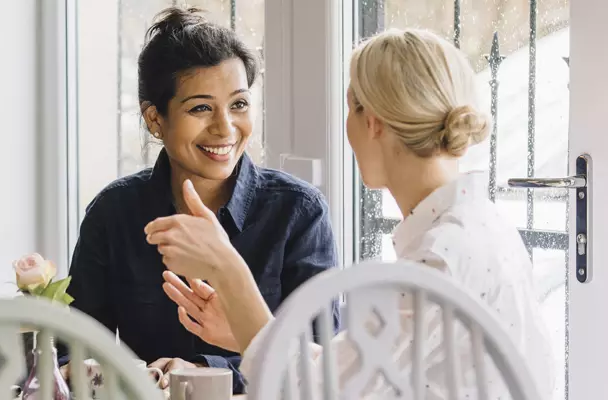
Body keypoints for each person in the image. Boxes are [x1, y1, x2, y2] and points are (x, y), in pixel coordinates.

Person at [147, 29, 555, 398]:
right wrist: (244, 329)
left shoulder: (442, 256)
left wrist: (227, 268)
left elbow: (319, 392)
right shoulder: (472, 229)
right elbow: (348, 374)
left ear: (372, 121)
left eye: (350, 108)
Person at [61, 7, 340, 394]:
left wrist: (199, 370)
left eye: (239, 104)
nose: (225, 127)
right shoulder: (114, 213)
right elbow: (72, 349)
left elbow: (322, 360)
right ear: (155, 119)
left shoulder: (299, 212)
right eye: (201, 108)